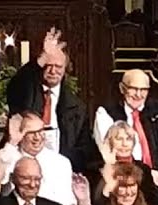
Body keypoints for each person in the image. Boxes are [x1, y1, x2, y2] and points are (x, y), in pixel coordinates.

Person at [6, 28, 93, 172]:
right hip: (24, 164)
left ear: (65, 69)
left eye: (58, 67)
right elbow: (16, 84)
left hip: (59, 167)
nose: (53, 71)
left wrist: (62, 163)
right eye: (48, 66)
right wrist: (43, 57)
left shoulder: (77, 106)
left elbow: (84, 147)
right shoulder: (27, 91)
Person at [0, 112, 77, 205]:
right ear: (20, 134)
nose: (37, 137)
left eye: (41, 131)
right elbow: (0, 185)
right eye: (31, 132)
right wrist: (12, 142)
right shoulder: (8, 156)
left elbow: (69, 202)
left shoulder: (61, 163)